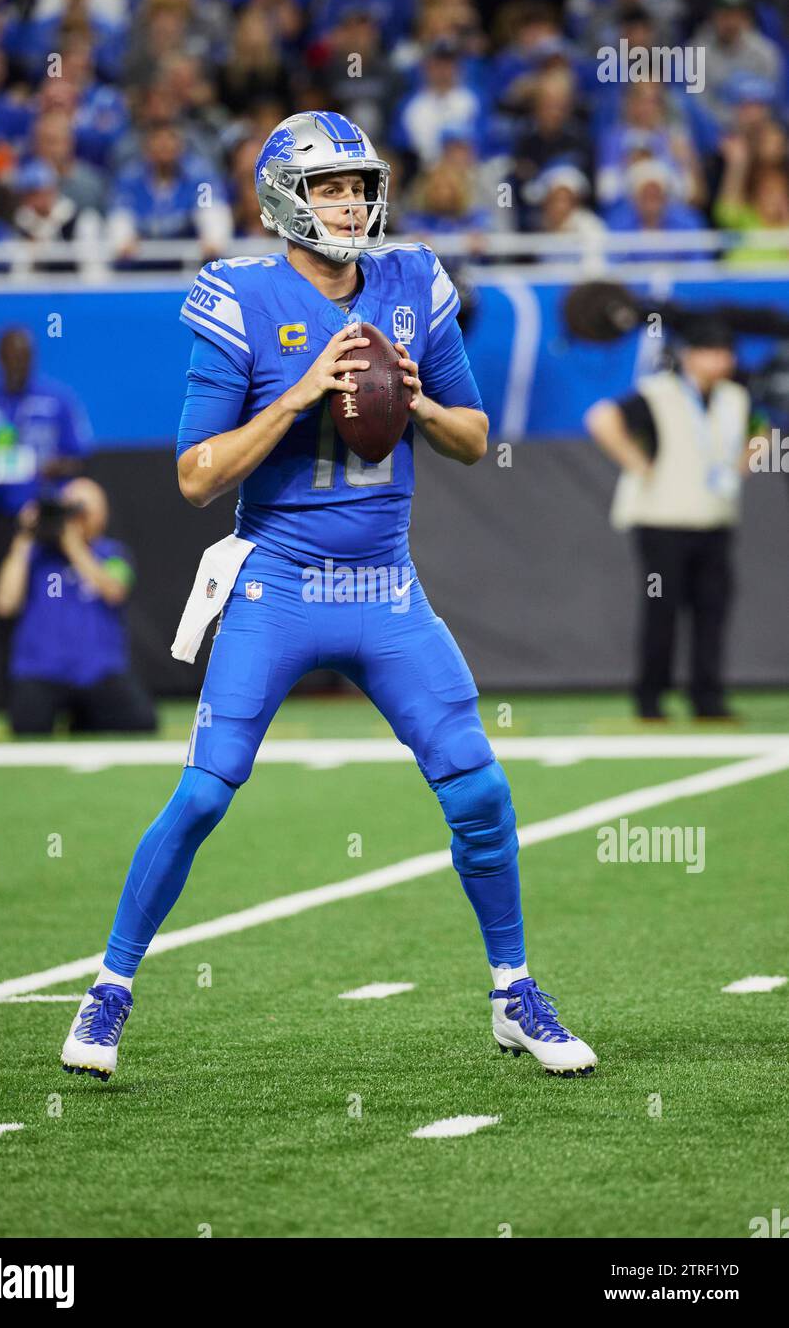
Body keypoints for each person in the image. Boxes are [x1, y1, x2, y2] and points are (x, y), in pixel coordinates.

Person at [61, 109, 598, 1083]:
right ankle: (108, 987)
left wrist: (412, 397)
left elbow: (474, 438)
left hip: (385, 585)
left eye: (357, 186)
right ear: (284, 198)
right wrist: (303, 390)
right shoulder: (238, 295)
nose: (348, 203)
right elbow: (194, 476)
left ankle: (512, 990)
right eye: (327, 187)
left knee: (477, 784)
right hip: (278, 579)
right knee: (203, 792)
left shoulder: (409, 281)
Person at [585, 317, 759, 720]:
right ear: (689, 356)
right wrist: (637, 464)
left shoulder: (737, 397)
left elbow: (761, 431)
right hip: (661, 521)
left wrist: (741, 465)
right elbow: (601, 418)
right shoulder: (658, 393)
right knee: (661, 610)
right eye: (710, 352)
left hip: (714, 521)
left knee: (712, 610)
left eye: (725, 353)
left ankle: (708, 698)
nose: (719, 361)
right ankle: (650, 699)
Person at [0, 327, 93, 708]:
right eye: (11, 357)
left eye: (25, 357)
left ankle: (64, 686)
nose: (18, 364)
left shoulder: (56, 400)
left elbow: (81, 456)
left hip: (50, 519)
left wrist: (51, 467)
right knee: (0, 603)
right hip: (2, 518)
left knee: (53, 600)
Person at [0, 477, 157, 736]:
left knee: (140, 722)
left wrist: (73, 545)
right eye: (69, 510)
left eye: (82, 510)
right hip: (42, 670)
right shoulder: (35, 554)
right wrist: (23, 539)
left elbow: (115, 591)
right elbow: (4, 603)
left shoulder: (113, 554)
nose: (75, 519)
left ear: (102, 515)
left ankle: (84, 719)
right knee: (27, 728)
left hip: (98, 671)